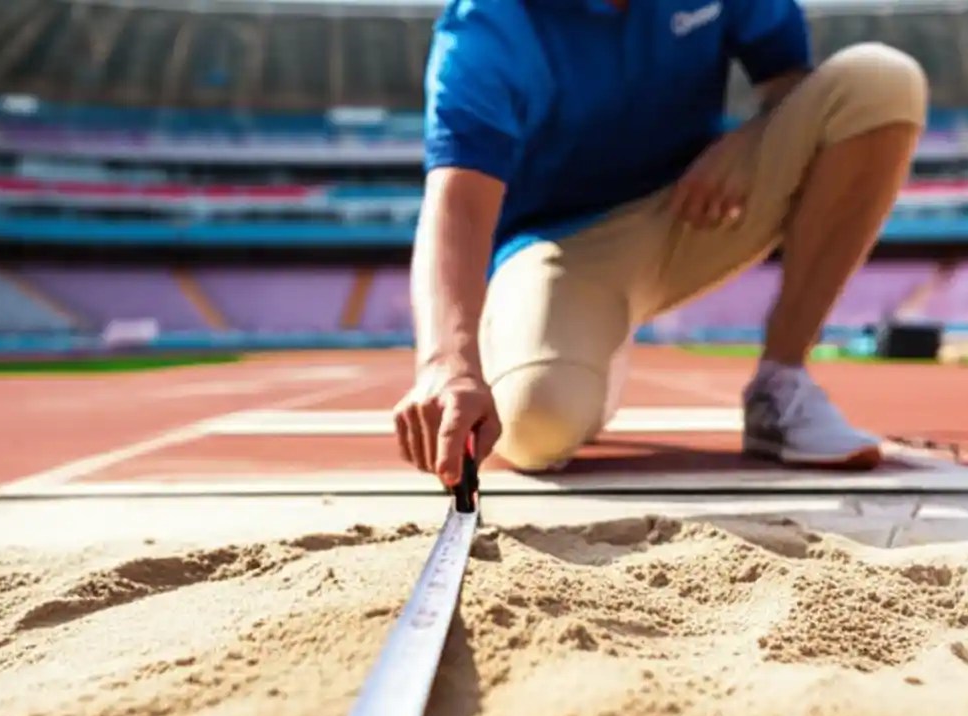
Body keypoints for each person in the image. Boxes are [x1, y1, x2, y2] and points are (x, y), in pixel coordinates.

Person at [393, 0, 928, 488]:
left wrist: (747, 140)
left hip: (700, 205)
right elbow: (458, 203)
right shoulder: (487, 27)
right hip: (563, 249)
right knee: (537, 423)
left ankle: (781, 379)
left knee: (880, 83)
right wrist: (449, 363)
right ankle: (584, 355)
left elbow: (793, 86)